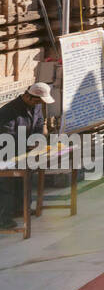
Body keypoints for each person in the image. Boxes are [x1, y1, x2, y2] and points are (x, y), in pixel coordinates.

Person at [0, 83, 54, 229]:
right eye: (38, 101)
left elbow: (39, 124)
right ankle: (4, 218)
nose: (39, 104)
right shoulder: (8, 111)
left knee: (24, 182)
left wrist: (37, 139)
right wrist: (26, 143)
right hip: (6, 154)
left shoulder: (36, 106)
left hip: (24, 154)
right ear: (29, 97)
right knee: (7, 186)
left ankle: (21, 209)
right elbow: (6, 135)